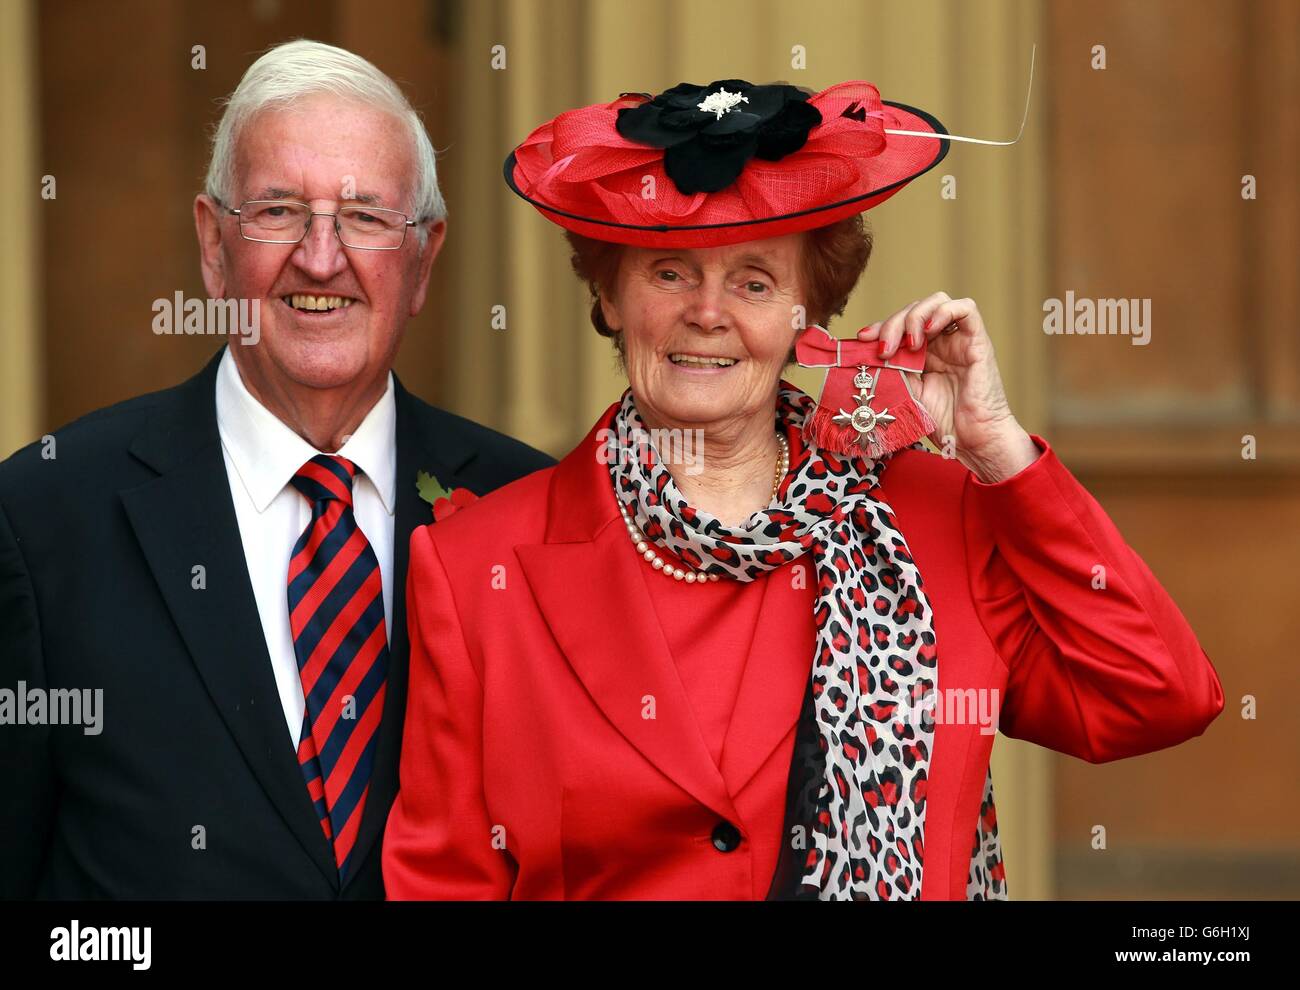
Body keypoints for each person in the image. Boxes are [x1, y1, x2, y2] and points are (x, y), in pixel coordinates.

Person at [382, 78, 1224, 899]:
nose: (708, 313)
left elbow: (1157, 697)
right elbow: (445, 883)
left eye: (755, 282)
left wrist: (999, 451)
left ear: (808, 318)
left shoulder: (933, 521)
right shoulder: (473, 570)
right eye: (669, 273)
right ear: (608, 294)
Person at [0, 39, 552, 900]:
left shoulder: (532, 513)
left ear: (425, 258)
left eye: (367, 216)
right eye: (278, 210)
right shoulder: (41, 517)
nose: (321, 258)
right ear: (213, 245)